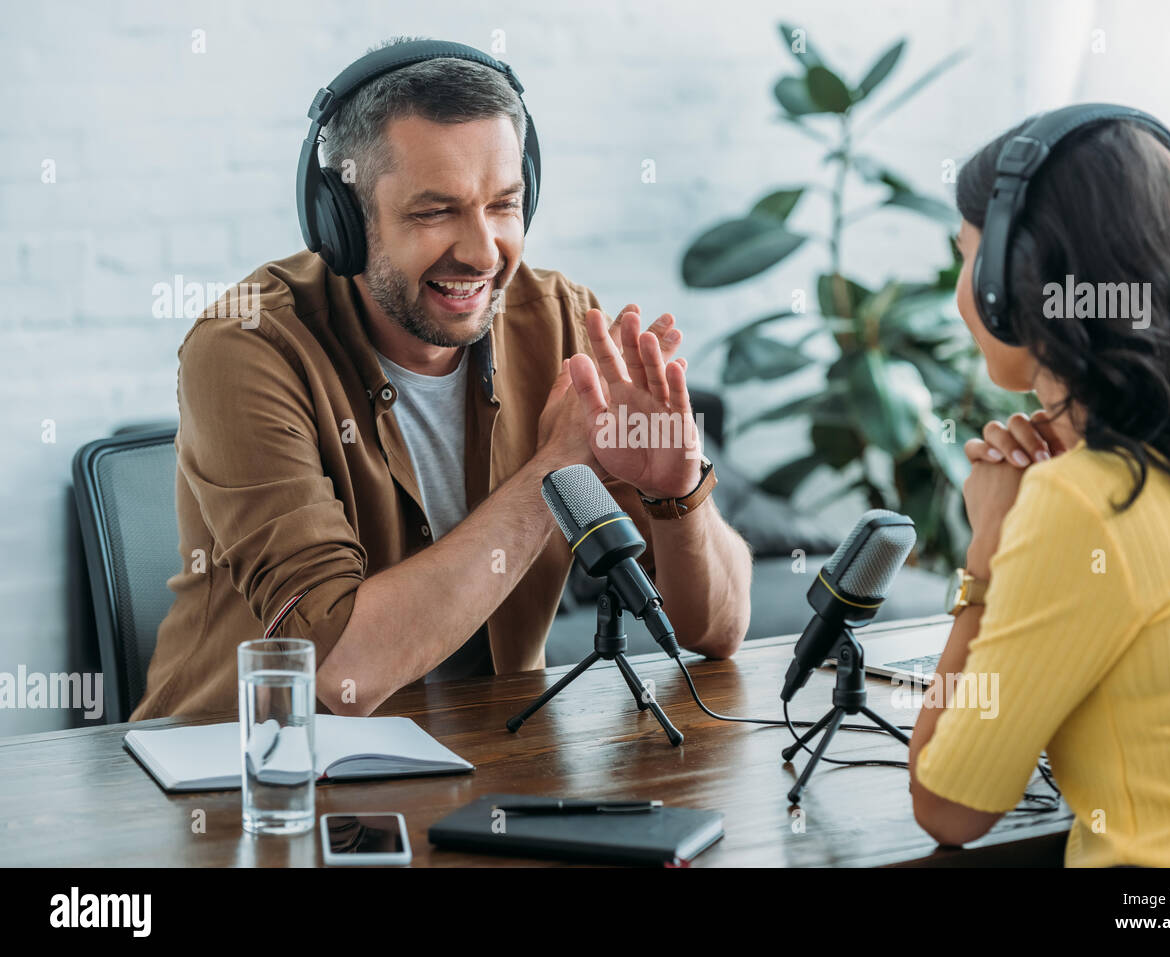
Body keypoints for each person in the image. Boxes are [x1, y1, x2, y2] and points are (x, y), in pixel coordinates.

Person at [131, 38, 752, 720]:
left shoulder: (564, 324)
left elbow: (717, 632)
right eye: (435, 211)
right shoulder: (247, 347)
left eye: (504, 205)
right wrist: (557, 469)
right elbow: (343, 673)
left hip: (490, 776)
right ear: (341, 219)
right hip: (253, 779)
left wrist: (679, 493)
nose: (483, 251)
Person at [907, 108, 1170, 866]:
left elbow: (946, 806)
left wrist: (988, 551)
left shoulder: (1084, 502)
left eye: (968, 257)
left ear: (1005, 286)